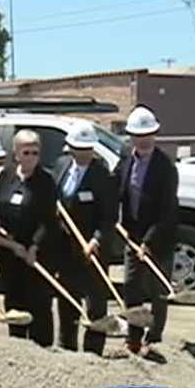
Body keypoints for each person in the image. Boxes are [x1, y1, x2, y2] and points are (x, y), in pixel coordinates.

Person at [115, 105, 178, 363]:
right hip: (132, 237)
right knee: (131, 286)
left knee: (157, 291)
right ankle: (133, 338)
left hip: (159, 237)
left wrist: (149, 243)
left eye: (146, 134)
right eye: (136, 135)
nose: (141, 140)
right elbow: (118, 193)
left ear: (154, 134)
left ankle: (153, 339)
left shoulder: (165, 168)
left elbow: (167, 211)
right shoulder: (126, 161)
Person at [53, 121, 118, 356]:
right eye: (78, 149)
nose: (83, 154)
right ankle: (67, 346)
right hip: (65, 249)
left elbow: (109, 217)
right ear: (69, 148)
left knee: (95, 302)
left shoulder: (104, 177)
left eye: (87, 149)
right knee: (67, 298)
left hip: (92, 250)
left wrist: (96, 240)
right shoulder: (60, 166)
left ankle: (93, 351)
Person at [0, 129, 58, 347]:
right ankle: (18, 348)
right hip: (11, 254)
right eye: (26, 152)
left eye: (35, 153)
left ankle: (42, 349)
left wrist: (34, 247)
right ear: (16, 153)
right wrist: (0, 232)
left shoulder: (46, 181)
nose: (31, 157)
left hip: (36, 255)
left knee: (39, 304)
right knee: (14, 303)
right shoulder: (6, 176)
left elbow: (49, 220)